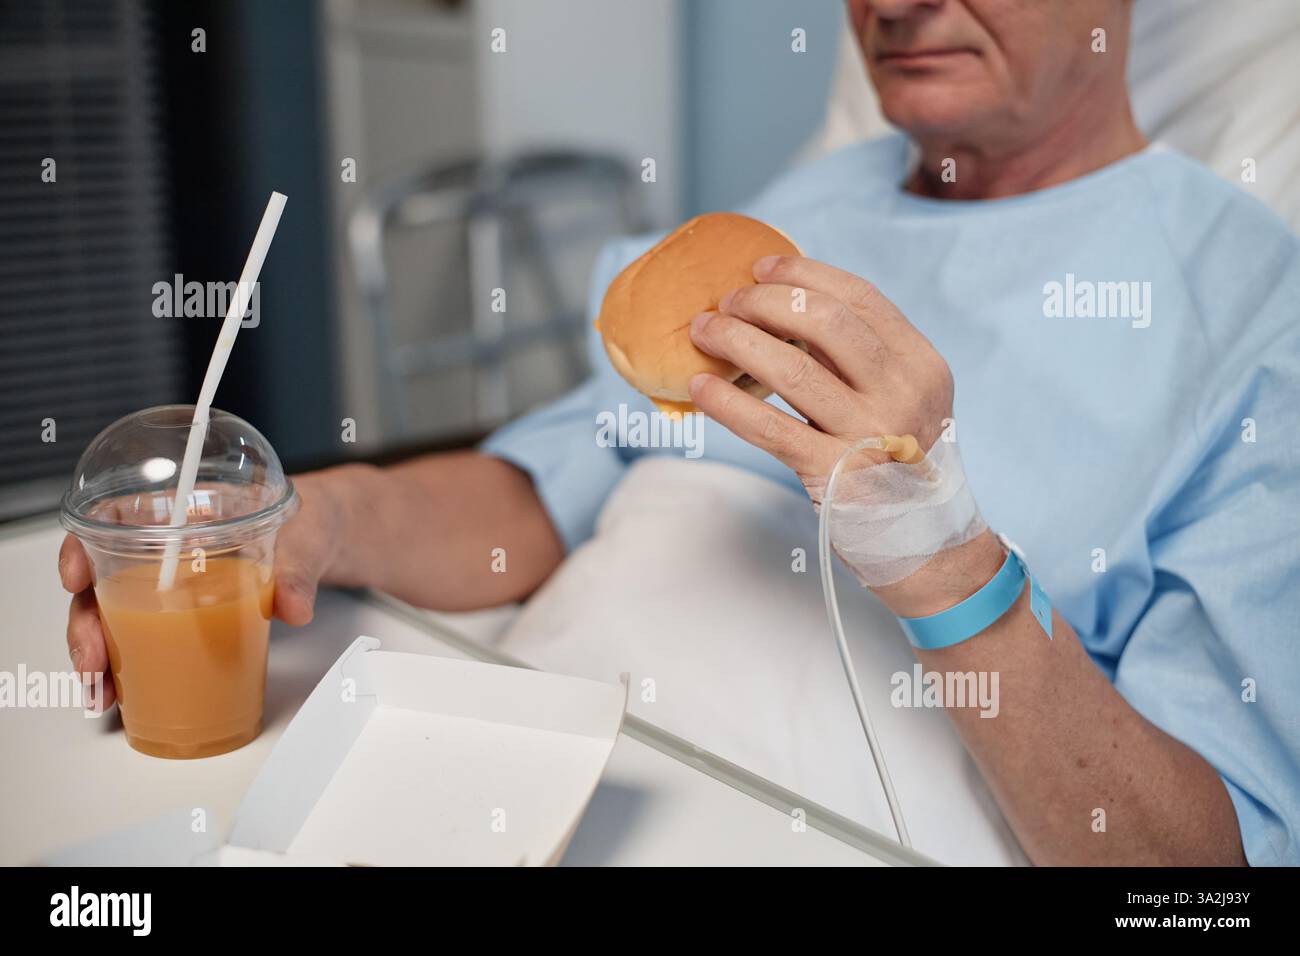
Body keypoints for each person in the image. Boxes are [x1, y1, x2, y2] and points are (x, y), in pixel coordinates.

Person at [60, 0, 1300, 865]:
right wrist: (311, 519)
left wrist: (940, 551)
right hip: (474, 785)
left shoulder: (1247, 316)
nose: (902, 3)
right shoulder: (794, 209)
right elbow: (536, 494)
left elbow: (1197, 873)